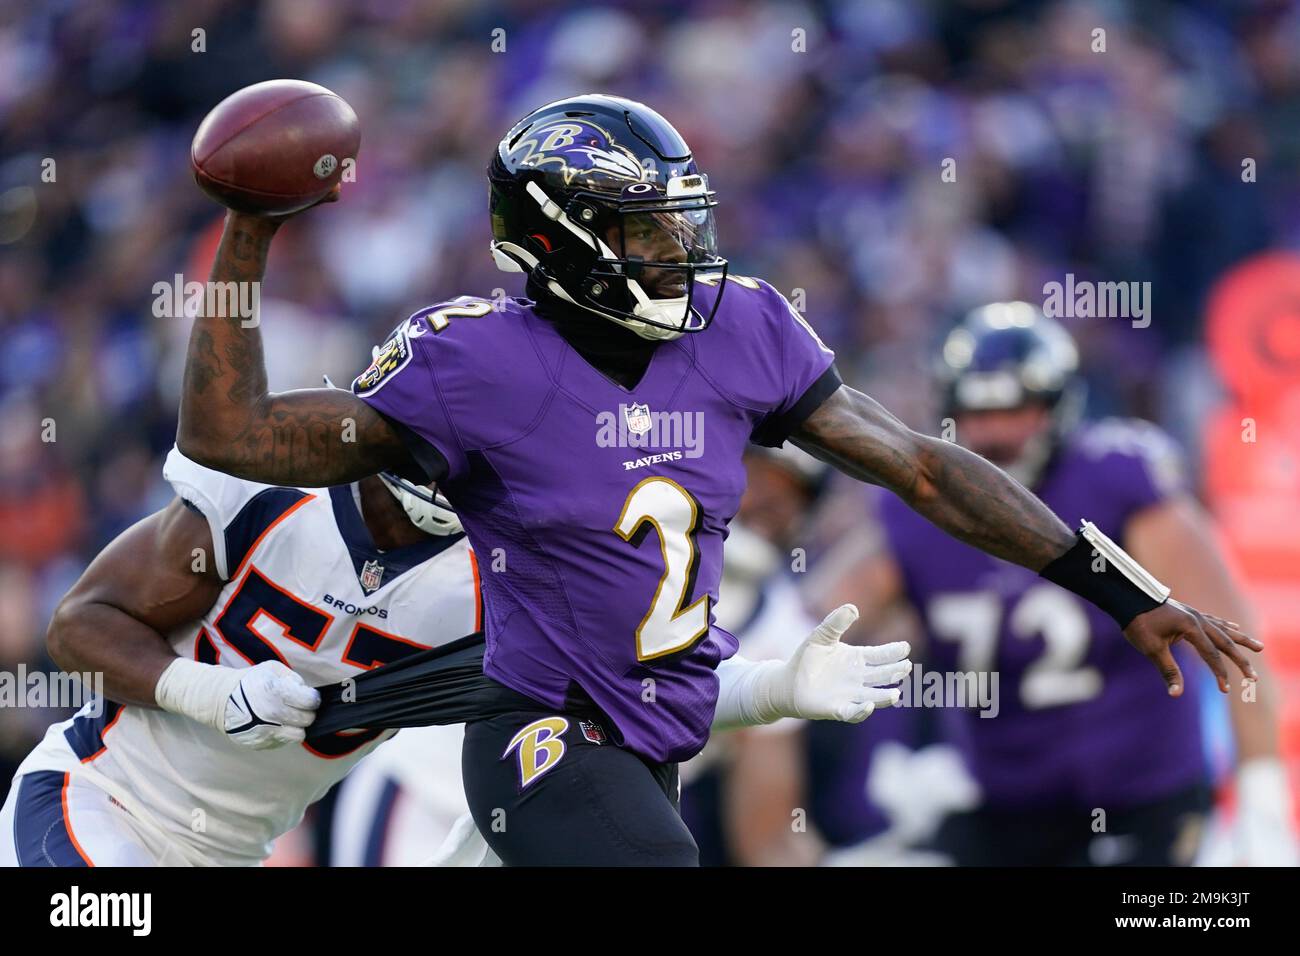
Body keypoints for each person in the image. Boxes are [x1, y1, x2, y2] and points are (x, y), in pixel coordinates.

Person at [176, 93, 1258, 865]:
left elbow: (923, 467)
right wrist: (248, 234)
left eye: (680, 219)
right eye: (645, 230)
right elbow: (237, 437)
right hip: (541, 733)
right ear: (558, 244)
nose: (679, 249)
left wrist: (1124, 593)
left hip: (657, 743)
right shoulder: (472, 362)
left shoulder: (742, 323)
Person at [811, 302, 1297, 866]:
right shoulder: (916, 518)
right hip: (1006, 808)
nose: (996, 434)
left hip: (1143, 798)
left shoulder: (1116, 481)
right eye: (979, 413)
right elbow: (817, 623)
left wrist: (1262, 791)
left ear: (1058, 407)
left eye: (1018, 410)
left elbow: (1233, 638)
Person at [0, 448, 479, 866]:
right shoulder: (277, 490)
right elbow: (78, 624)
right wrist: (216, 693)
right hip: (104, 800)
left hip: (234, 855)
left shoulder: (492, 591)